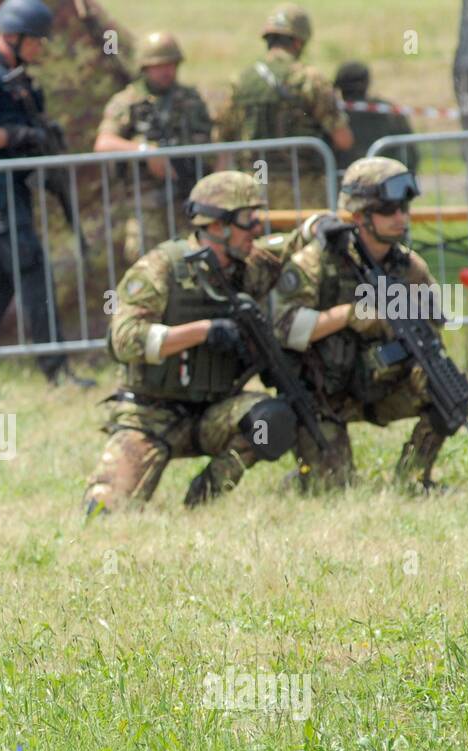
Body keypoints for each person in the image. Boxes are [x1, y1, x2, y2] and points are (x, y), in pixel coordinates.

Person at [83, 171, 304, 514]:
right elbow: (122, 340)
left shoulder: (247, 264)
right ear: (216, 227)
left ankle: (203, 500)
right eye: (248, 220)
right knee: (105, 512)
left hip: (211, 414)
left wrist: (313, 231)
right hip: (151, 416)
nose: (257, 229)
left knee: (268, 419)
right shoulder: (161, 268)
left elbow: (282, 249)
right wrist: (203, 331)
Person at [272, 157, 453, 492]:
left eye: (403, 207)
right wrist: (347, 315)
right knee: (331, 489)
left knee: (445, 390)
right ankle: (302, 478)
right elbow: (283, 328)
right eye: (388, 210)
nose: (400, 217)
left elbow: (436, 321)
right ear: (360, 216)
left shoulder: (408, 267)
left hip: (379, 386)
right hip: (323, 397)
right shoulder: (317, 263)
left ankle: (412, 480)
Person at [0, 0, 95, 400]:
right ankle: (56, 369)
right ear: (14, 36)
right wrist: (18, 136)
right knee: (33, 272)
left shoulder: (17, 76)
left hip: (14, 188)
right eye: (37, 41)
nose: (41, 49)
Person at [214, 3, 353, 211]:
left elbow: (222, 141)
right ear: (298, 42)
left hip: (254, 191)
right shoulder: (309, 78)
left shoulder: (241, 80)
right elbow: (343, 139)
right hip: (305, 190)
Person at [94, 30, 213, 260]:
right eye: (159, 65)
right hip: (147, 206)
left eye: (171, 64)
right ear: (145, 67)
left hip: (189, 202)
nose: (167, 71)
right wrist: (145, 151)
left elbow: (212, 143)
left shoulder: (191, 99)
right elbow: (104, 143)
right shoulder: (127, 101)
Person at [333, 61, 419, 176]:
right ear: (367, 82)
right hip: (388, 182)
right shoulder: (388, 111)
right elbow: (410, 154)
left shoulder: (332, 115)